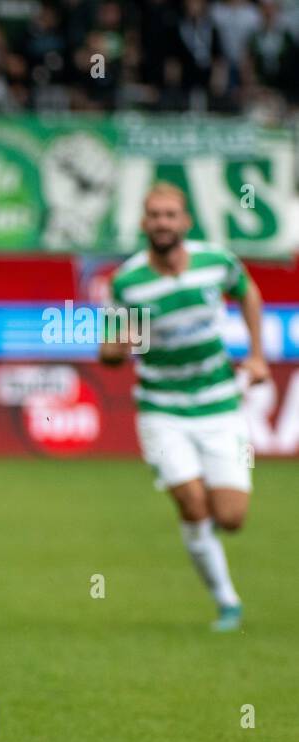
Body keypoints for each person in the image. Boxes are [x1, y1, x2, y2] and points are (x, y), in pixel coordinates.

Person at [101, 181, 268, 631]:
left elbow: (249, 292)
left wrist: (256, 354)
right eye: (154, 215)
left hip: (219, 404)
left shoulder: (216, 263)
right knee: (193, 505)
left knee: (230, 518)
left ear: (185, 222)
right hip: (161, 408)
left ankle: (208, 541)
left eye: (170, 215)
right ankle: (227, 601)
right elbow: (110, 347)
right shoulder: (128, 281)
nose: (162, 223)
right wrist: (116, 348)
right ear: (143, 223)